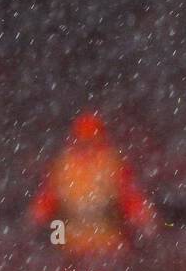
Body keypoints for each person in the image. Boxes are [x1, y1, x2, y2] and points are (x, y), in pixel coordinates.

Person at [29, 111, 157, 260]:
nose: (87, 146)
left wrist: (144, 220)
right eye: (84, 140)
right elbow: (47, 202)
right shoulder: (65, 165)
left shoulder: (111, 163)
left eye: (90, 140)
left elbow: (130, 198)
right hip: (77, 247)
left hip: (104, 245)